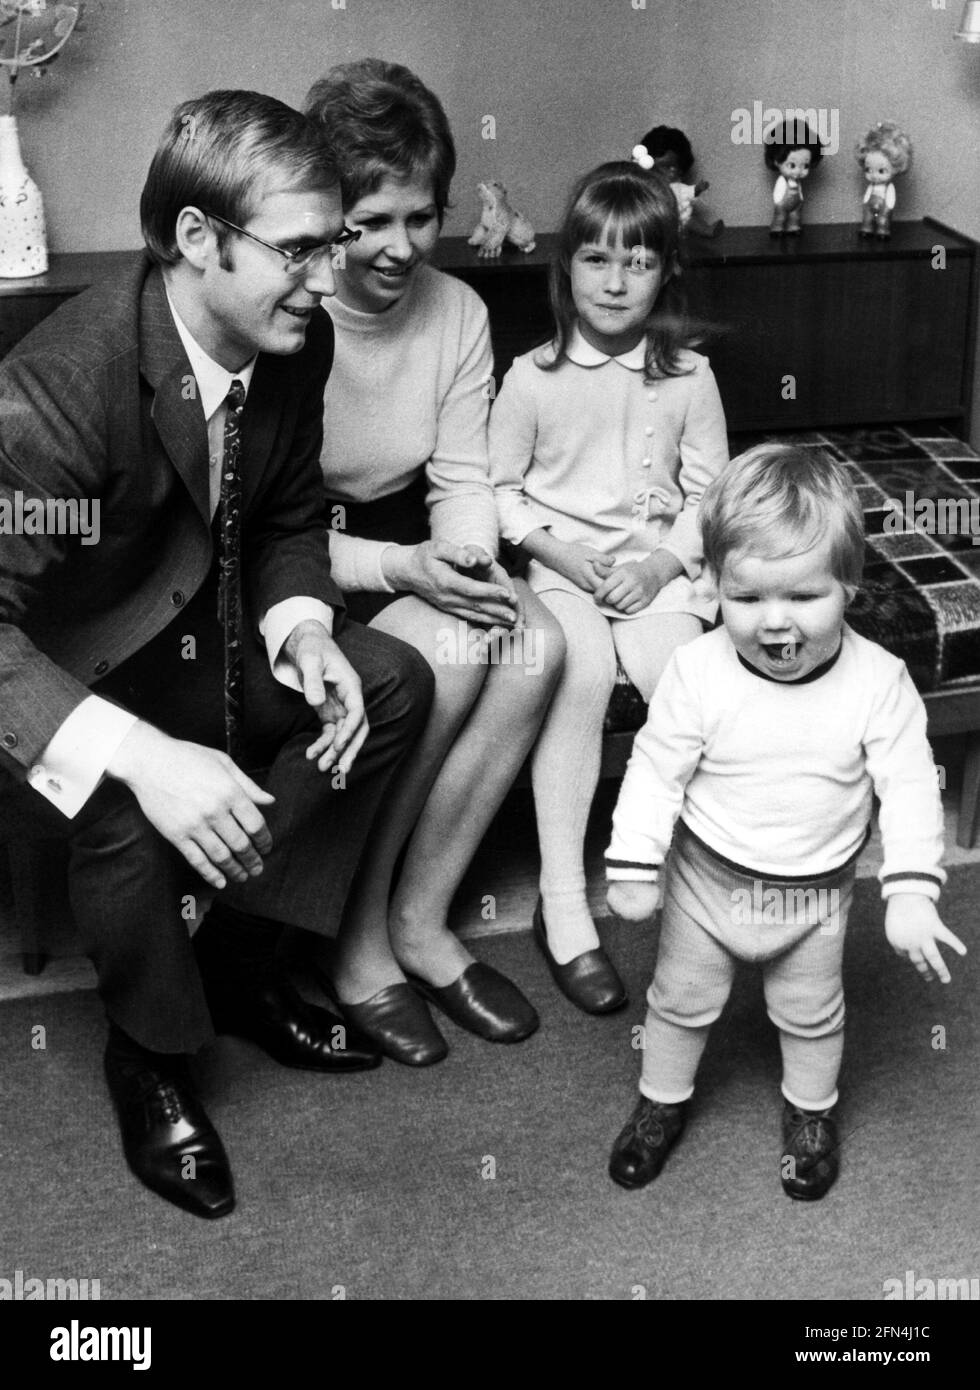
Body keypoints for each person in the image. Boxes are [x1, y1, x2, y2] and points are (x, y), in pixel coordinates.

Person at [0, 90, 434, 1219]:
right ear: (197, 239)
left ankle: (235, 957)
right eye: (300, 249)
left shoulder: (294, 332)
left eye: (331, 243)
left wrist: (301, 630)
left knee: (386, 683)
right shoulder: (61, 384)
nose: (329, 277)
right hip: (52, 679)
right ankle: (148, 1051)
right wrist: (145, 756)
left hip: (206, 634)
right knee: (131, 805)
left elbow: (288, 512)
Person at [604, 445, 965, 1198]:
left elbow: (907, 786)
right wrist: (634, 860)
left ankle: (811, 1114)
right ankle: (659, 1103)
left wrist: (911, 890)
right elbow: (655, 767)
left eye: (803, 598)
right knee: (678, 1001)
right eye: (748, 600)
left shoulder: (879, 682)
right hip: (708, 883)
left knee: (811, 1013)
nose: (775, 624)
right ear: (712, 587)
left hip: (814, 896)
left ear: (850, 586)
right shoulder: (696, 671)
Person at [300, 60, 564, 1065]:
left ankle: (422, 917)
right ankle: (358, 938)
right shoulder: (291, 308)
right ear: (325, 213)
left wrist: (460, 564)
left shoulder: (455, 311)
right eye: (368, 220)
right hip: (303, 571)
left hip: (408, 543)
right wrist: (407, 572)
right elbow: (261, 527)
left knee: (529, 637)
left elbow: (460, 475)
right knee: (451, 654)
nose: (398, 246)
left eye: (420, 216)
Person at [489, 161, 728, 1014]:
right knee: (579, 673)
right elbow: (500, 493)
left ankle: (701, 880)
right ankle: (563, 908)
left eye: (637, 261)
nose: (616, 280)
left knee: (681, 678)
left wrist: (663, 565)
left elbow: (712, 494)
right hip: (562, 573)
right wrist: (558, 557)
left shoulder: (689, 377)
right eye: (596, 259)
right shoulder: (532, 377)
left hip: (656, 570)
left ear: (666, 272)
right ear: (568, 271)